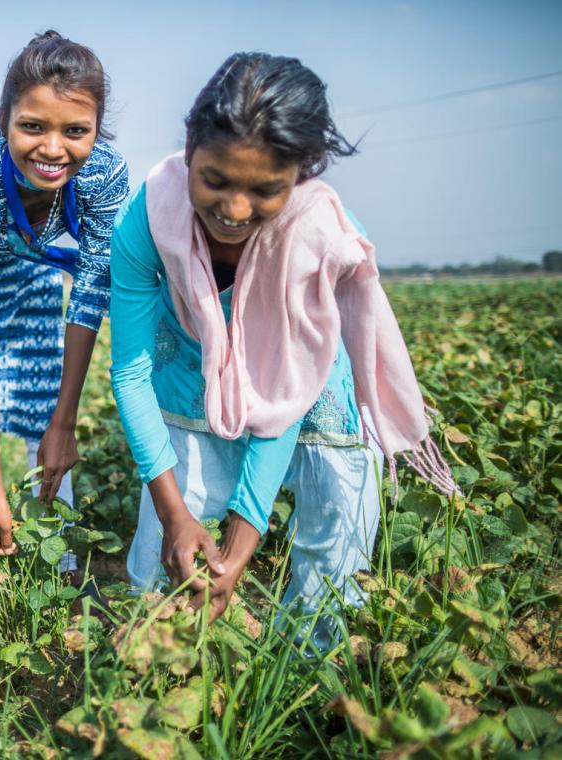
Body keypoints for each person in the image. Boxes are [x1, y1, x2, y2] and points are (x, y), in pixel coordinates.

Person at [109, 52, 456, 648]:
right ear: (189, 147)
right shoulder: (148, 216)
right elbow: (131, 374)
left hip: (308, 388)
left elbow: (287, 396)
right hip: (193, 372)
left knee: (333, 553)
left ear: (302, 174)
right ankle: (163, 665)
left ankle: (305, 672)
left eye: (265, 190)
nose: (234, 211)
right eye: (215, 181)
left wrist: (241, 543)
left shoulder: (314, 236)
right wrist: (175, 517)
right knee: (159, 574)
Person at [0, 31, 129, 562]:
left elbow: (89, 294)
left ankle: (62, 569)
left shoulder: (104, 174)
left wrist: (64, 423)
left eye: (75, 131)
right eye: (32, 126)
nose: (53, 149)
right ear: (3, 120)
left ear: (97, 129)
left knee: (45, 415)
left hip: (32, 270)